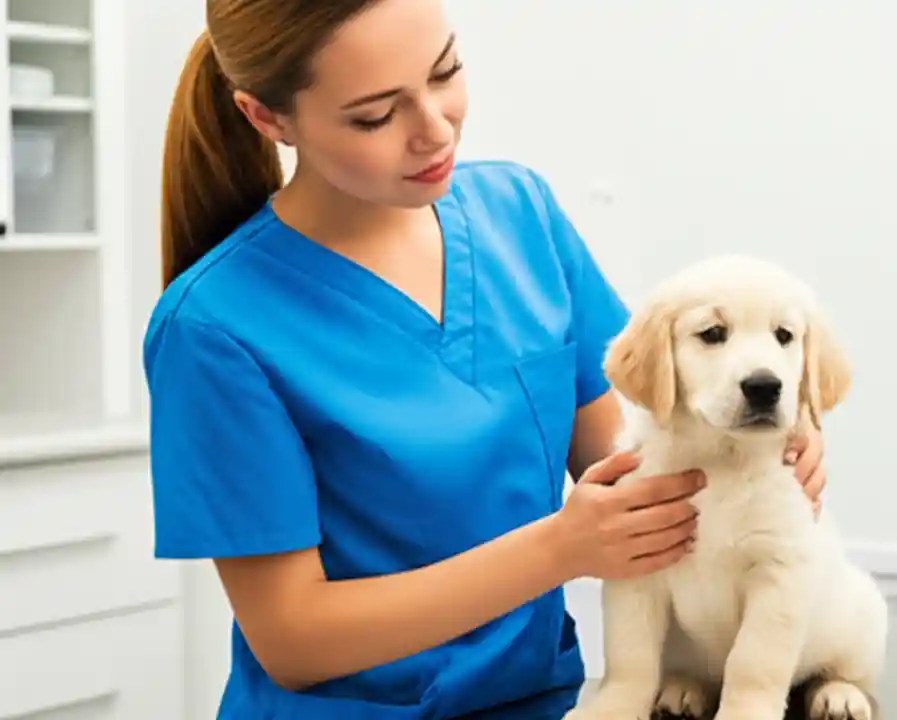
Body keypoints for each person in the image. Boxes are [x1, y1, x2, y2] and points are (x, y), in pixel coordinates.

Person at [145, 1, 828, 718]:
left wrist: (753, 437)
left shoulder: (519, 214)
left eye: (445, 72)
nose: (435, 130)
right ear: (267, 118)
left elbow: (639, 474)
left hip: (541, 703)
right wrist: (562, 550)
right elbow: (293, 640)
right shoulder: (216, 327)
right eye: (376, 116)